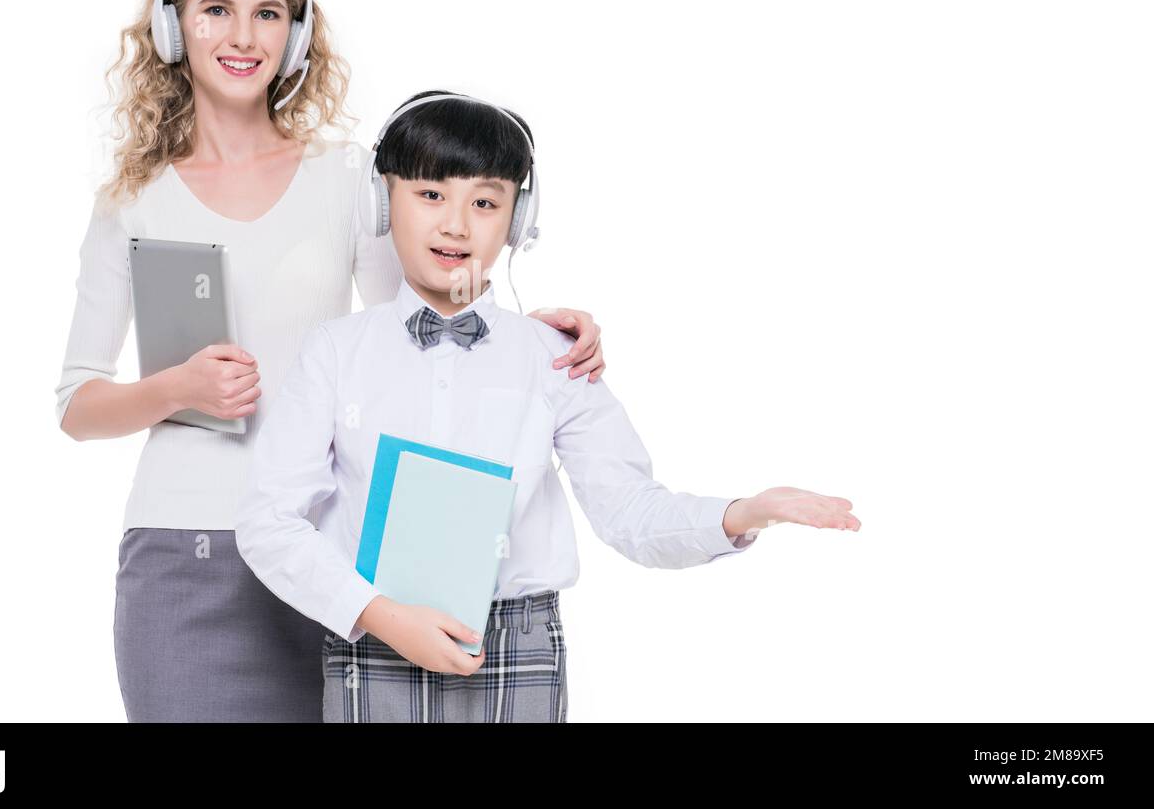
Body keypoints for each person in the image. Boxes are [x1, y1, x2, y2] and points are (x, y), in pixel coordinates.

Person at [53, 0, 608, 723]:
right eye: (216, 10)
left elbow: (423, 324)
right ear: (174, 27)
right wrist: (178, 386)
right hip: (186, 557)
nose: (243, 37)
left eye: (268, 14)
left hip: (337, 561)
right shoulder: (130, 199)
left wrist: (544, 336)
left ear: (298, 33)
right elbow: (76, 404)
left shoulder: (348, 178)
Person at [235, 90, 862, 723]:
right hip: (373, 634)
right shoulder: (335, 353)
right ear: (381, 200)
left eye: (485, 202)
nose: (455, 224)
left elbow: (629, 510)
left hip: (518, 649)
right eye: (430, 195)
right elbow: (269, 519)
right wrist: (378, 615)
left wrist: (738, 513)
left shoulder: (554, 358)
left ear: (520, 220)